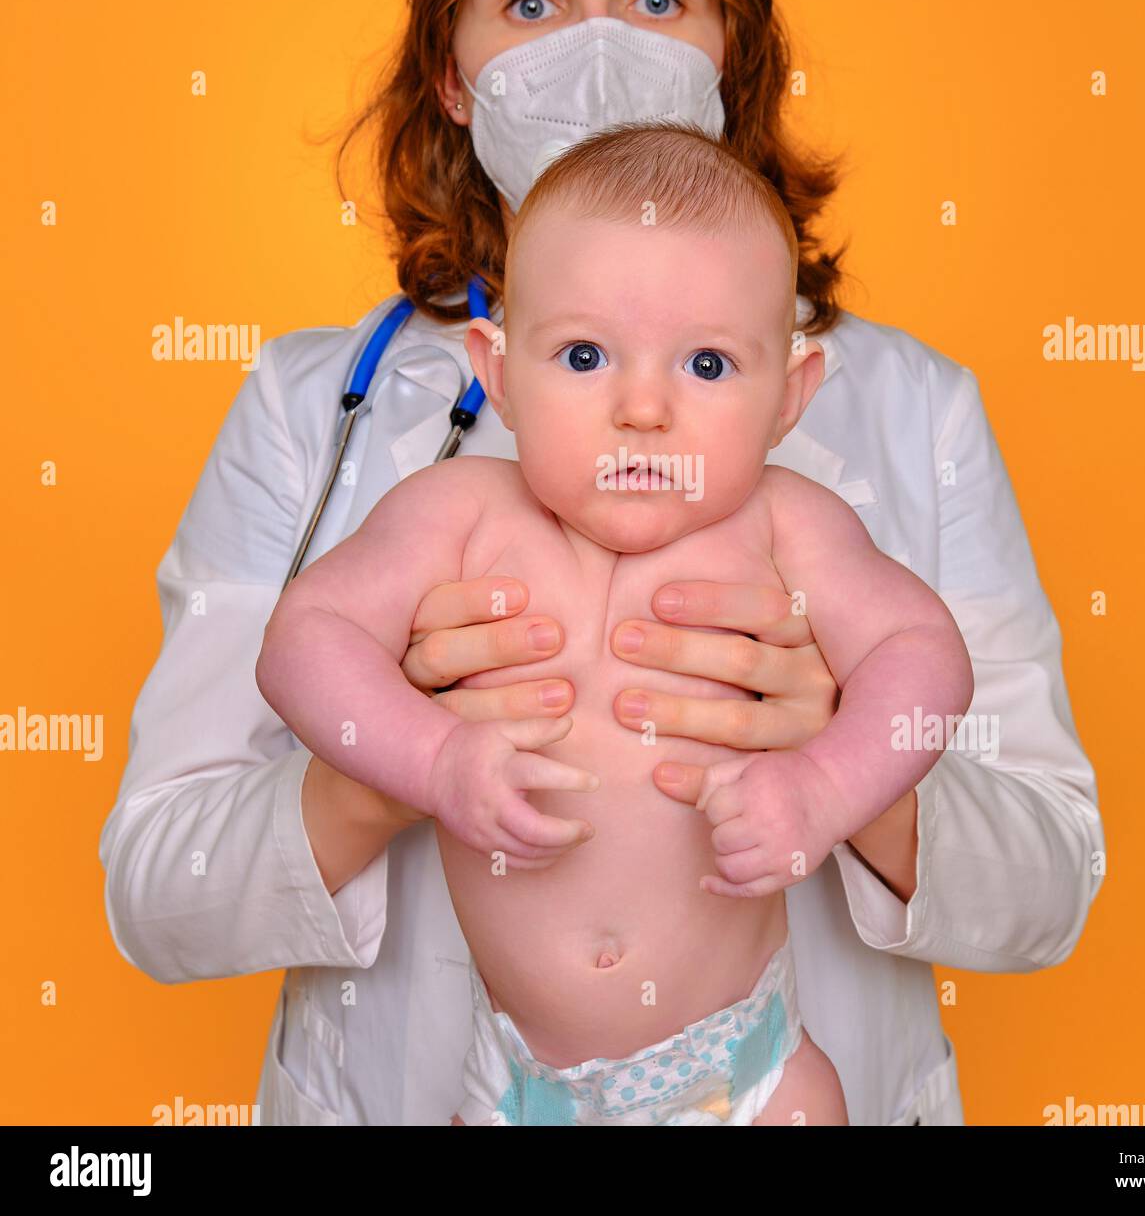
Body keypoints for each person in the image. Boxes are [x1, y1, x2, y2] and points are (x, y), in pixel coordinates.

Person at [99, 0, 1103, 1126]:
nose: (599, 52)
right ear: (451, 75)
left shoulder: (913, 407)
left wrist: (846, 761)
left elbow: (1051, 885)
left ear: (727, 45)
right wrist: (388, 756)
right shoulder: (311, 409)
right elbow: (154, 895)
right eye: (530, 4)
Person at [254, 124, 976, 1126]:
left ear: (788, 400)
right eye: (585, 354)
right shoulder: (456, 514)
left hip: (745, 1077)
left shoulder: (788, 528)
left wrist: (822, 786)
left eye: (710, 366)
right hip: (517, 1089)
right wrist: (432, 761)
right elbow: (303, 637)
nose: (643, 407)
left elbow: (924, 658)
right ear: (499, 375)